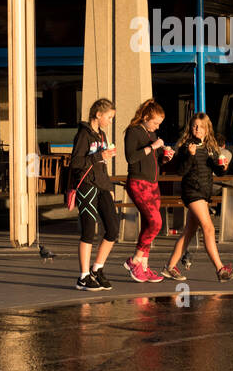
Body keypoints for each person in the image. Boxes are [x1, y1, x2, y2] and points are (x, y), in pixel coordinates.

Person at [162, 112, 233, 282]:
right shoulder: (185, 146)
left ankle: (169, 267)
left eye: (201, 127)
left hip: (204, 192)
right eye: (194, 126)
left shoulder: (210, 147)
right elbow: (181, 171)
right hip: (192, 190)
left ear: (207, 129)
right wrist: (190, 155)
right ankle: (220, 270)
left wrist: (224, 167)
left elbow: (217, 171)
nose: (197, 129)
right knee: (209, 228)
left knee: (189, 231)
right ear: (190, 128)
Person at [69, 98, 121, 291]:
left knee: (113, 229)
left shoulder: (102, 135)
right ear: (98, 115)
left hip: (102, 185)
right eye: (109, 117)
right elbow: (75, 162)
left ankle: (96, 269)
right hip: (87, 186)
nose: (110, 121)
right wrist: (100, 156)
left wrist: (109, 185)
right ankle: (83, 276)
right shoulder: (83, 134)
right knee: (89, 230)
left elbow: (100, 164)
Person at [121, 99, 174, 282]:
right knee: (156, 223)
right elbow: (131, 157)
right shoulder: (133, 131)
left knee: (148, 225)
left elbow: (156, 159)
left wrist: (165, 157)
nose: (157, 126)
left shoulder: (151, 134)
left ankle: (143, 266)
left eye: (159, 123)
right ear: (145, 117)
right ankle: (135, 260)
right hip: (139, 182)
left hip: (153, 184)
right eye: (155, 122)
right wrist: (152, 147)